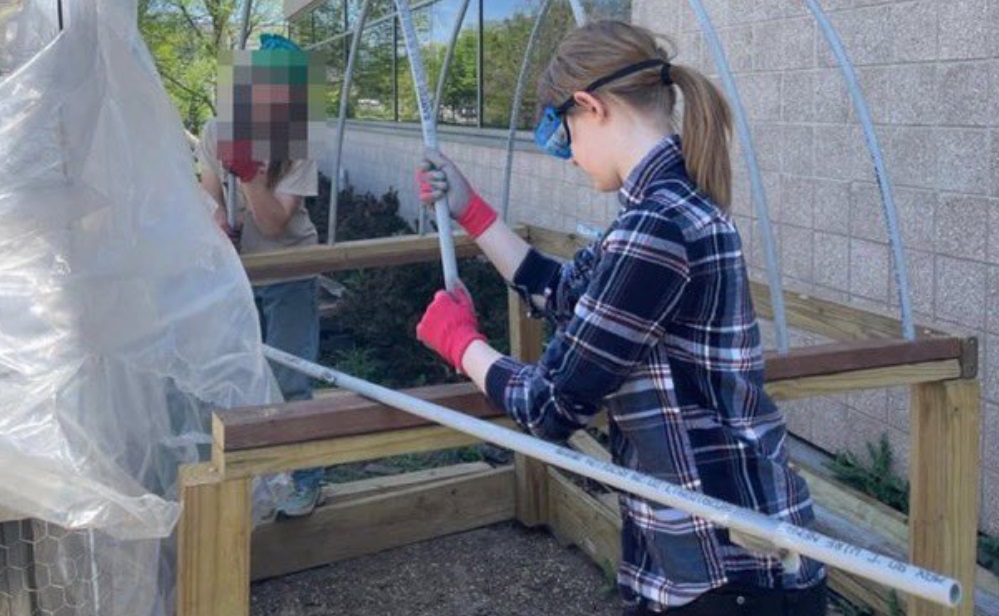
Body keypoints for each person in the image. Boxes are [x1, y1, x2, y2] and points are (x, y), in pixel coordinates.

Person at [414, 20, 827, 616]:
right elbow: (564, 293)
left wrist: (461, 344)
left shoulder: (657, 230)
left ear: (589, 106)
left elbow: (552, 406)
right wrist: (471, 210)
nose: (569, 154)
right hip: (718, 565)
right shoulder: (666, 211)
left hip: (730, 571)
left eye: (564, 129)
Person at [197, 34, 324, 519]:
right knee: (236, 373)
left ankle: (306, 479)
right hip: (237, 272)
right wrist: (217, 226)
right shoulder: (216, 130)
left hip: (289, 266)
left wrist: (248, 174)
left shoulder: (299, 141)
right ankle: (252, 477)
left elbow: (274, 223)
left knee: (292, 376)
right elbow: (209, 195)